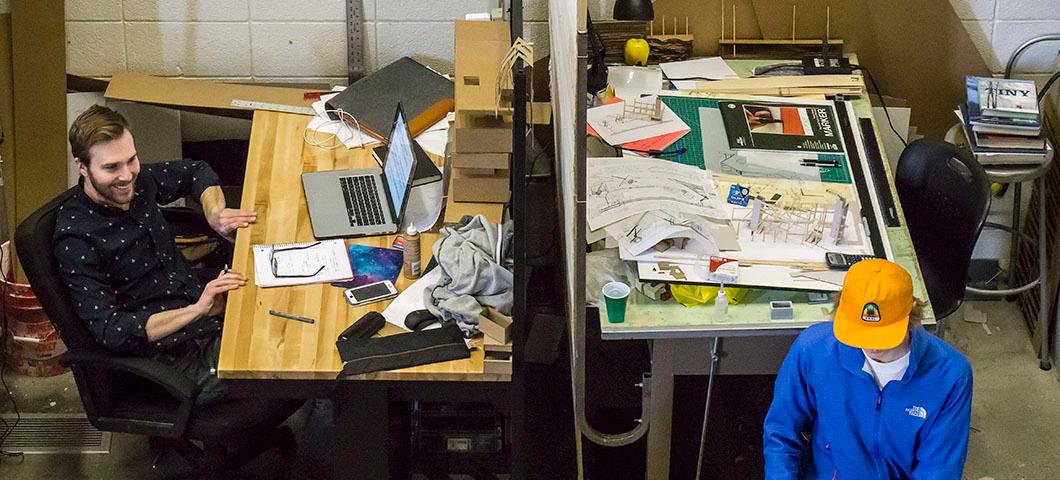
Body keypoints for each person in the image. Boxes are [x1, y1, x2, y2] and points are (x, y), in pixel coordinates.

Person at [54, 105, 257, 404]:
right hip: (171, 357)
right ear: (82, 167)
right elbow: (112, 330)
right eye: (111, 168)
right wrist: (197, 309)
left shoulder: (137, 182)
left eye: (131, 160)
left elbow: (196, 170)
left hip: (205, 313)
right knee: (290, 366)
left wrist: (214, 212)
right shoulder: (76, 237)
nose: (127, 176)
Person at [763, 258, 973, 479]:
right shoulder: (813, 349)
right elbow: (781, 431)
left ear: (910, 315)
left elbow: (939, 470)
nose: (871, 346)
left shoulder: (951, 376)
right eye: (860, 332)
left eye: (882, 334)